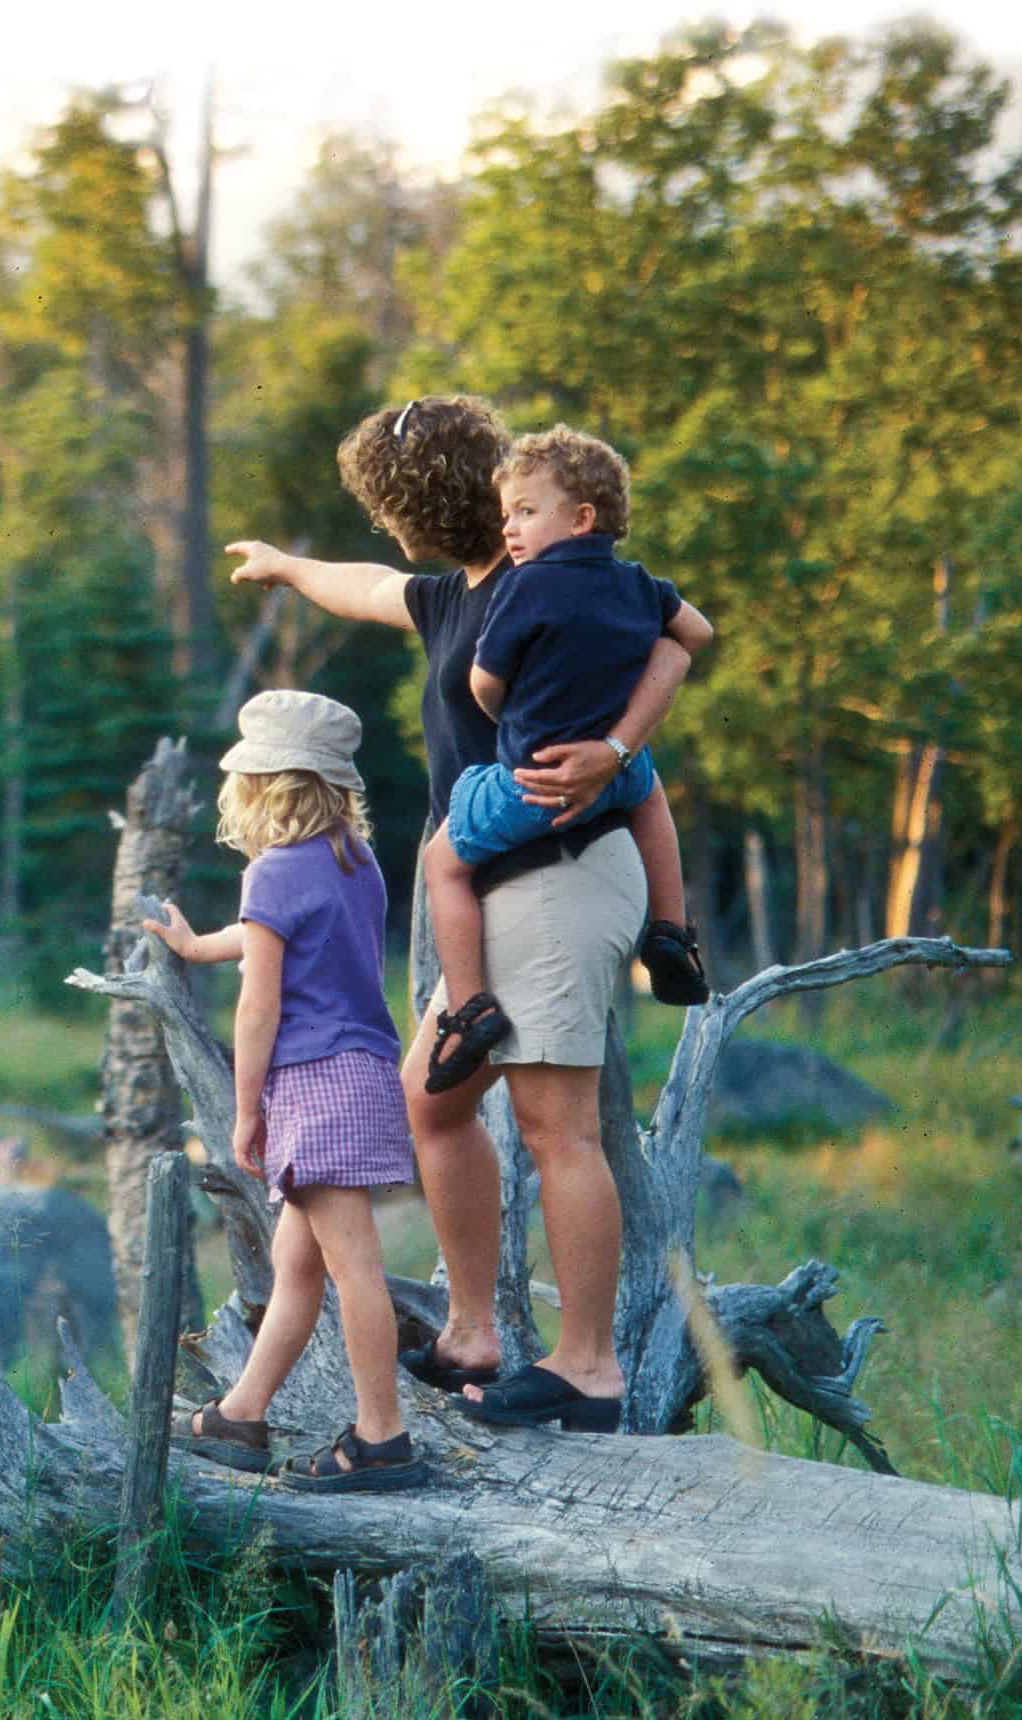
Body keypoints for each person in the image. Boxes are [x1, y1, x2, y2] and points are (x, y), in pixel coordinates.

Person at [225, 395, 704, 1433]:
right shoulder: (461, 594)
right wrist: (286, 565)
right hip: (500, 888)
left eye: (386, 509)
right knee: (434, 1100)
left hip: (558, 876)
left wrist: (616, 751)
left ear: (421, 505)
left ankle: (587, 1368)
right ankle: (474, 1332)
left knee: (555, 1127)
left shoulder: (547, 591)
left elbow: (673, 654)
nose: (381, 531)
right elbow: (365, 588)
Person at [145, 689, 425, 1490]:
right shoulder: (353, 860)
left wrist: (244, 1114)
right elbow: (276, 933)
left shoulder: (271, 871)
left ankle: (382, 1436)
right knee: (297, 1266)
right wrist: (198, 945)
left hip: (313, 1083)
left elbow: (259, 1004)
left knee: (354, 1269)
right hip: (364, 1071)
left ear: (264, 785)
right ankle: (243, 1411)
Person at [418, 425, 717, 1093]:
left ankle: (469, 1010)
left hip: (536, 778)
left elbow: (482, 681)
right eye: (507, 514)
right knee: (650, 795)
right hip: (617, 771)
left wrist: (509, 718)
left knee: (442, 863)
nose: (510, 529)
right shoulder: (638, 582)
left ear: (581, 518)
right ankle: (671, 930)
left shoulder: (525, 587)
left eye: (526, 512)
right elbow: (696, 633)